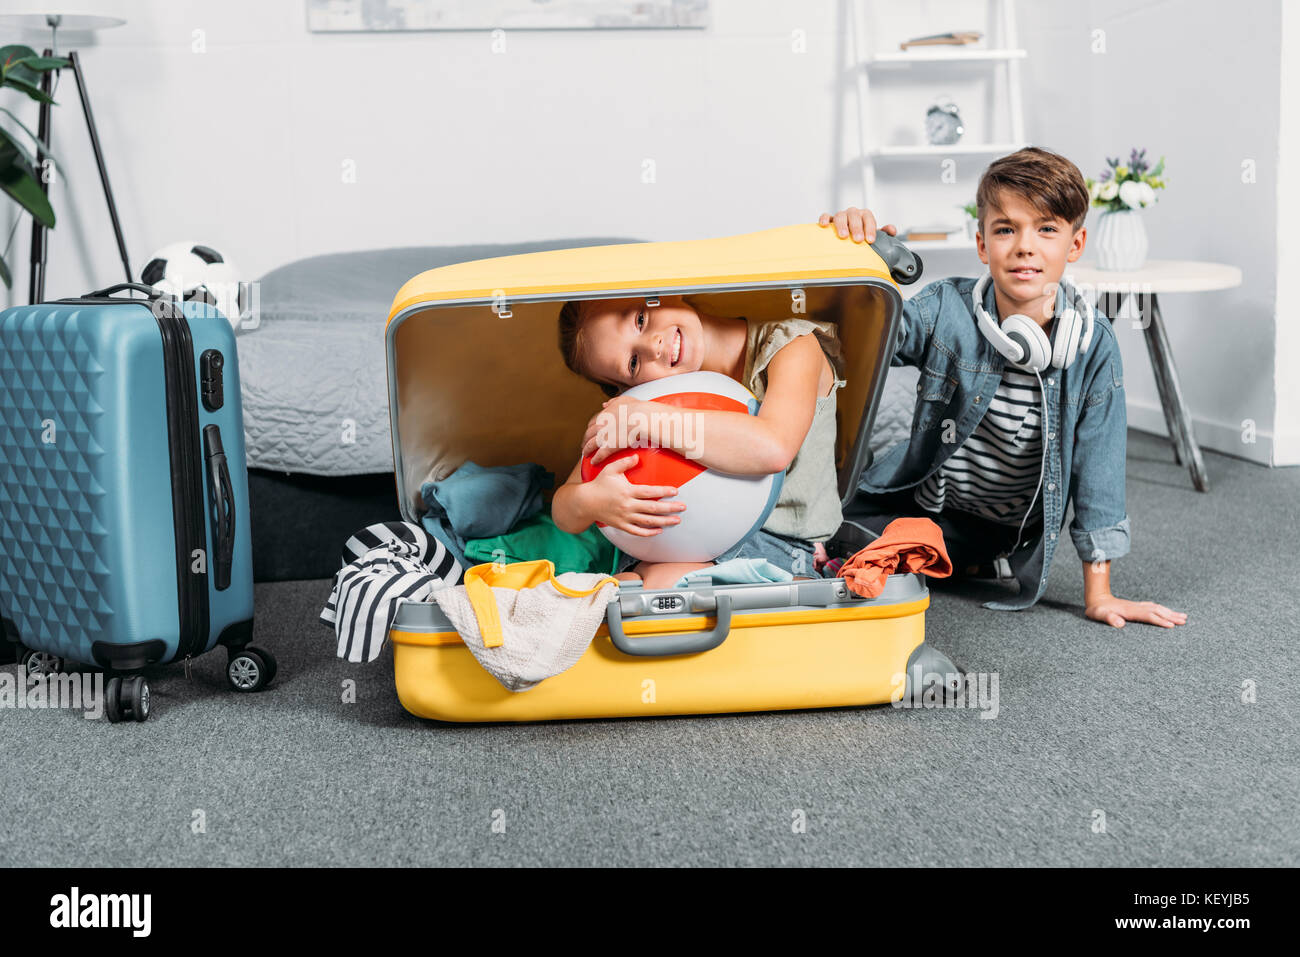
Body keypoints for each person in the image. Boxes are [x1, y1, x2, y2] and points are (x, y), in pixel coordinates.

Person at [820, 146, 1186, 629]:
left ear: (1075, 246)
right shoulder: (944, 307)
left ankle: (952, 555)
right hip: (918, 493)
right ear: (982, 244)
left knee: (879, 548)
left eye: (1047, 228)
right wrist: (851, 263)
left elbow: (1099, 472)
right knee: (817, 533)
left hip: (993, 526)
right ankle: (918, 552)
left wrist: (1100, 594)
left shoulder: (1094, 346)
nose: (1024, 246)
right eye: (1006, 228)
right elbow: (862, 344)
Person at [549, 293, 844, 590]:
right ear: (628, 387)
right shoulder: (642, 399)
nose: (653, 346)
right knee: (626, 589)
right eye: (633, 363)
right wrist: (592, 501)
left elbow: (773, 448)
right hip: (671, 544)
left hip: (774, 539)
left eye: (640, 319)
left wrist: (646, 417)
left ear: (660, 289)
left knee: (667, 588)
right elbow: (564, 509)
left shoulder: (793, 345)